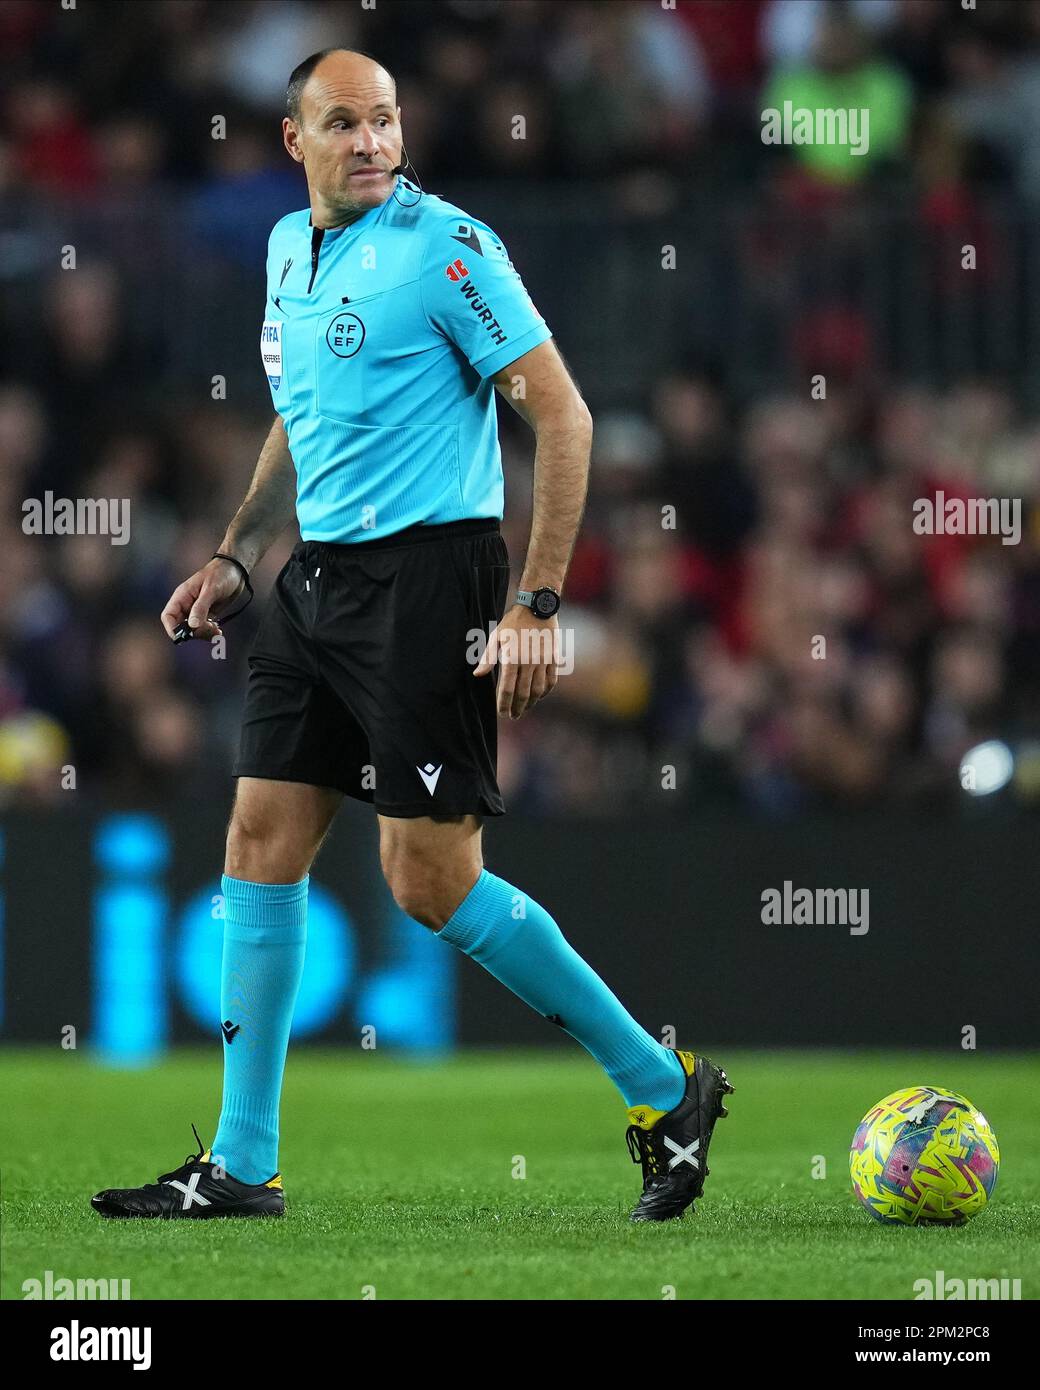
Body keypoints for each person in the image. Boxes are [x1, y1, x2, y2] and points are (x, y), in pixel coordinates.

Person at [91, 49, 731, 1225]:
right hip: (316, 578)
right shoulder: (291, 250)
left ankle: (662, 1084)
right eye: (344, 123)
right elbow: (297, 418)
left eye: (385, 119)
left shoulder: (449, 248)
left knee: (428, 882)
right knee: (256, 844)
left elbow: (562, 412)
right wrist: (240, 553)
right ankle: (242, 1166)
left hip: (433, 579)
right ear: (296, 142)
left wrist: (534, 605)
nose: (372, 141)